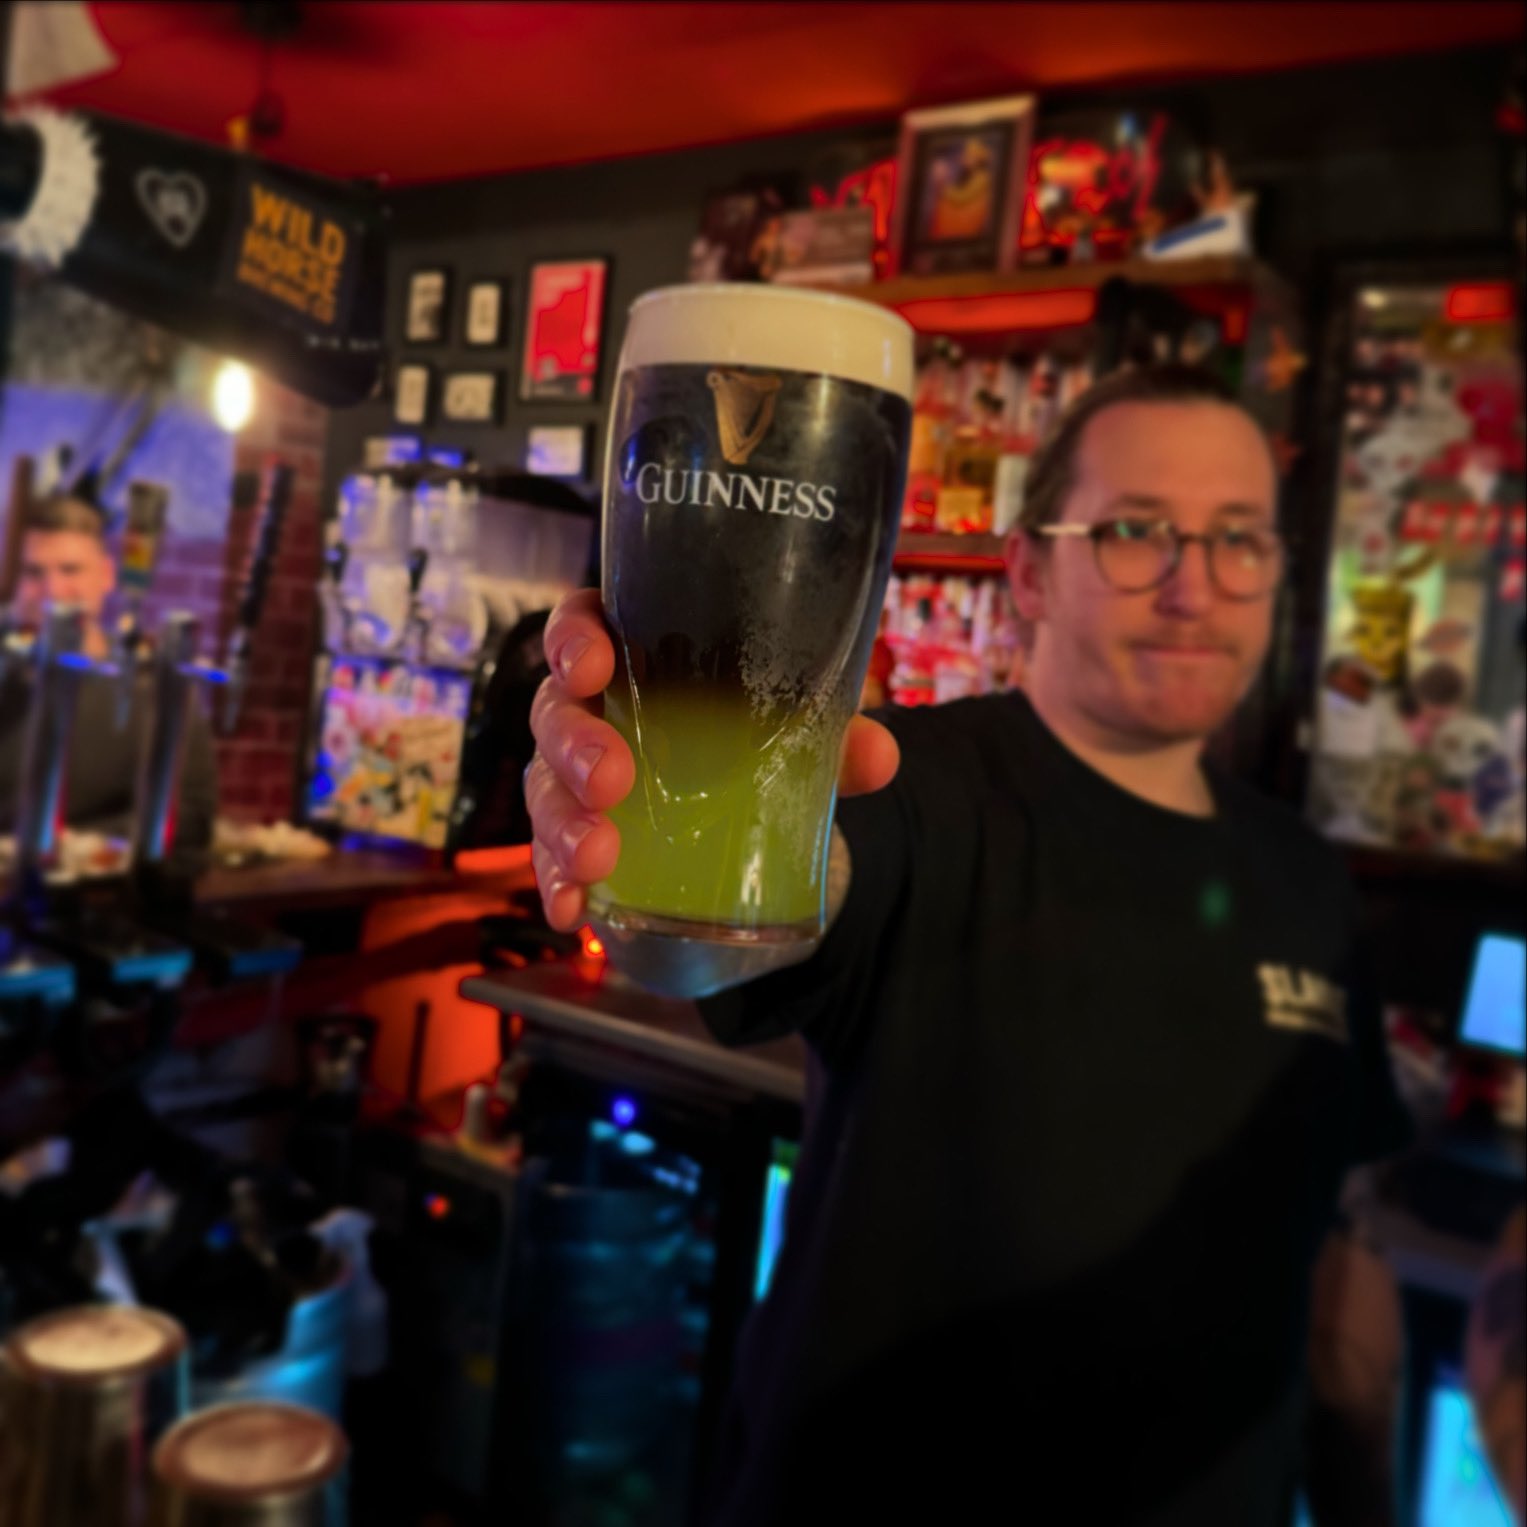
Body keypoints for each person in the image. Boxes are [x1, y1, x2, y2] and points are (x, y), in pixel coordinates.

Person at [525, 365, 1415, 1525]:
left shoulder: (1304, 876)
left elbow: (1340, 1258)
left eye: (1240, 539)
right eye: (1138, 531)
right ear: (1030, 574)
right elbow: (724, 936)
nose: (1197, 588)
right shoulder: (916, 785)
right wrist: (637, 831)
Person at [0, 491, 217, 855]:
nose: (53, 591)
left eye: (70, 570)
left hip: (108, 899)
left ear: (105, 575)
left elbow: (193, 815)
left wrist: (69, 848)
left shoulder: (150, 684)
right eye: (34, 573)